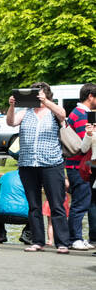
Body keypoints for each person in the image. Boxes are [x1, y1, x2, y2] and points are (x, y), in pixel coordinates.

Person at [7, 81, 71, 254]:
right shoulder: (26, 112)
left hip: (51, 163)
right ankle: (37, 241)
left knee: (57, 204)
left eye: (40, 93)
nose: (37, 97)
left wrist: (45, 101)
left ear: (46, 94)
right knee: (33, 205)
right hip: (28, 164)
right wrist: (12, 106)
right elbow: (11, 122)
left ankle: (62, 242)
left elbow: (63, 114)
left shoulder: (52, 111)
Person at [63, 83, 96, 249]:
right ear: (90, 96)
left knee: (83, 201)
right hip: (79, 165)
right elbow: (86, 143)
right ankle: (74, 238)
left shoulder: (79, 113)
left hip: (77, 165)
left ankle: (77, 237)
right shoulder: (82, 114)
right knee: (80, 203)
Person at [0, 168, 31, 244]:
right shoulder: (30, 177)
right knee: (36, 214)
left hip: (1, 214)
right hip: (24, 215)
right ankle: (27, 235)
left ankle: (0, 235)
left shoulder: (6, 175)